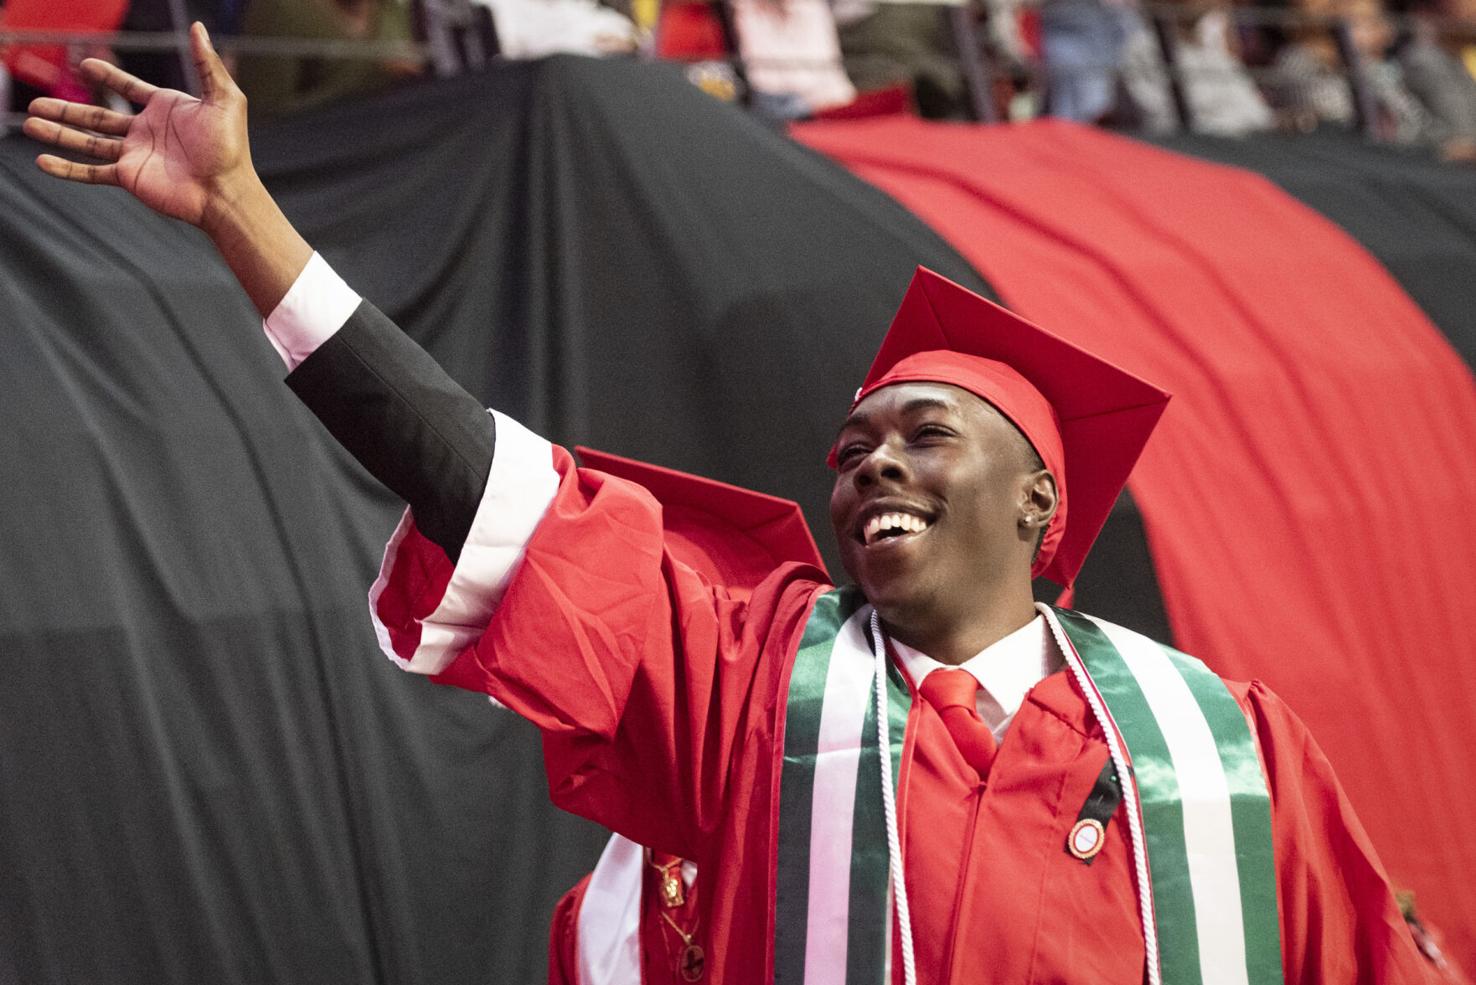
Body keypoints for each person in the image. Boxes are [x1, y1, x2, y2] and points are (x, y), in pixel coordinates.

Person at [23, 26, 1436, 983]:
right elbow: (475, 469)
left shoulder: (1228, 751)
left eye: (923, 434)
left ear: (1040, 503)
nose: (868, 463)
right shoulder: (758, 684)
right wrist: (245, 220)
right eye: (852, 445)